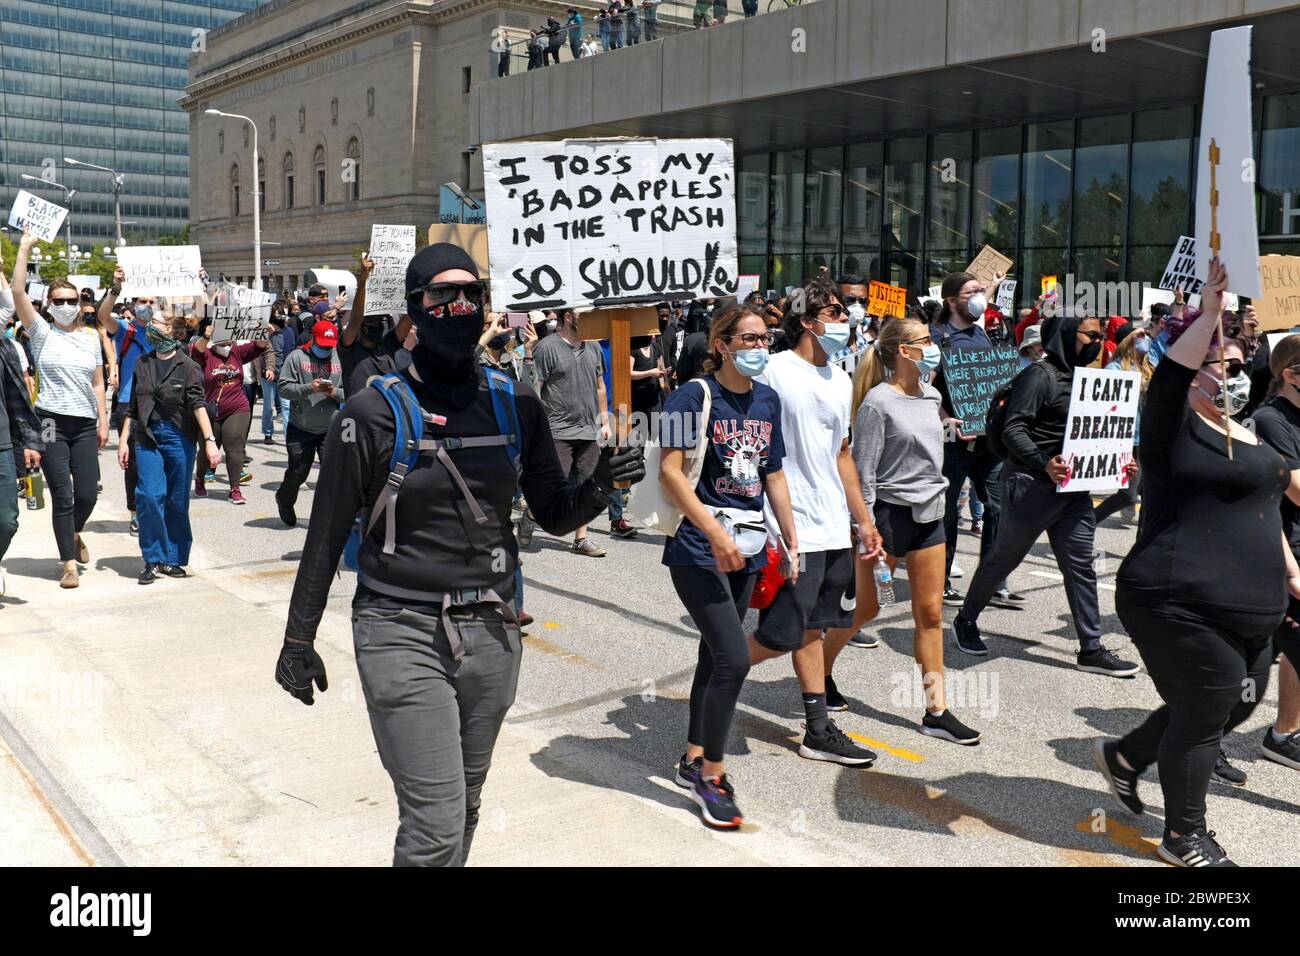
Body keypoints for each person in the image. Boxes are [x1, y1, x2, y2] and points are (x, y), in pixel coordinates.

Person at [274, 242, 644, 866]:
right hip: (401, 628)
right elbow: (325, 538)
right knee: (436, 825)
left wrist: (602, 484)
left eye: (472, 293)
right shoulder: (369, 413)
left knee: (464, 808)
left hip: (493, 632)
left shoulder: (515, 400)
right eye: (444, 294)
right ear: (415, 308)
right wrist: (297, 639)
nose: (461, 305)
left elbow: (554, 512)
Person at [1093, 260, 1297, 867]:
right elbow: (1169, 377)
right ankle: (1184, 837)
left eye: (1240, 366)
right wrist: (1208, 313)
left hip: (1256, 606)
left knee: (1238, 700)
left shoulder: (1250, 432)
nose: (1235, 375)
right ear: (1194, 371)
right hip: (1176, 599)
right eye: (1223, 366)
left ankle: (1127, 756)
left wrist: (1291, 574)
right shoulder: (1171, 428)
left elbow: (1265, 510)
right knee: (1207, 710)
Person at [662, 304, 797, 828]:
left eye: (766, 338)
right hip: (699, 545)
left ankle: (693, 756)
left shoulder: (768, 399)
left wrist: (790, 535)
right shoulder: (690, 396)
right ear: (721, 344)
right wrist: (712, 530)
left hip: (748, 545)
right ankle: (711, 776)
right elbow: (670, 473)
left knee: (712, 658)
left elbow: (774, 474)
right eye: (749, 338)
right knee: (733, 660)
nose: (760, 347)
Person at [950, 310, 1139, 676]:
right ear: (1066, 336)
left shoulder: (1087, 379)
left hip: (1073, 491)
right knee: (1005, 558)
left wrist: (1118, 460)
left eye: (1100, 336)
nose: (1098, 343)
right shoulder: (1040, 376)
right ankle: (966, 619)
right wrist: (1043, 462)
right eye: (1089, 336)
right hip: (1032, 486)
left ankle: (1091, 647)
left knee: (1081, 566)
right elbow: (1013, 430)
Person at [749, 279, 882, 762]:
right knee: (780, 633)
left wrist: (862, 520)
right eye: (837, 313)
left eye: (847, 313)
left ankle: (817, 729)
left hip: (831, 524)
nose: (847, 321)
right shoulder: (775, 370)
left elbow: (842, 453)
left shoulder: (842, 379)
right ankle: (721, 667)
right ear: (808, 322)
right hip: (789, 524)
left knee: (814, 628)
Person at [847, 315, 981, 744]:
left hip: (930, 517)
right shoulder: (876, 403)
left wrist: (956, 428)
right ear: (904, 351)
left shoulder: (932, 395)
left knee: (931, 614)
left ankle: (936, 709)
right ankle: (819, 674)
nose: (935, 345)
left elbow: (925, 450)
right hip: (887, 519)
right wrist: (865, 527)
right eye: (927, 340)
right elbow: (863, 472)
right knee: (866, 610)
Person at [11, 231, 108, 589]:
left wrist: (103, 419)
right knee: (62, 495)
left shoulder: (90, 338)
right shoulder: (40, 332)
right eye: (59, 299)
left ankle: (75, 533)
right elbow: (19, 292)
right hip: (50, 421)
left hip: (83, 422)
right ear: (49, 303)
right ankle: (68, 562)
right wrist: (24, 248)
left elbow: (98, 383)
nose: (66, 304)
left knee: (86, 493)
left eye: (72, 299)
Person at [930, 271, 1021, 609]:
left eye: (981, 291)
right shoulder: (938, 338)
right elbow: (925, 388)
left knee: (1001, 507)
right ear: (952, 301)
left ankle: (993, 580)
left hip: (988, 442)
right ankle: (939, 583)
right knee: (948, 512)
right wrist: (945, 420)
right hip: (954, 442)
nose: (979, 297)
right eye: (972, 292)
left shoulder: (983, 335)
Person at [119, 311, 221, 584]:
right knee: (150, 496)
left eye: (157, 323)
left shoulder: (188, 366)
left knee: (177, 500)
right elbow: (132, 405)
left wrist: (210, 441)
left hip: (179, 438)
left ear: (172, 331)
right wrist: (123, 440)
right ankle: (152, 559)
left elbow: (198, 404)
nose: (151, 326)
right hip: (147, 438)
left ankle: (173, 559)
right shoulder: (142, 363)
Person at [1245, 333, 1300, 774]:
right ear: (1290, 374)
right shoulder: (1270, 420)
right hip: (1281, 554)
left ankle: (1282, 734)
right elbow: (1297, 491)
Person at [532, 307, 611, 557]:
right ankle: (530, 514)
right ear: (569, 318)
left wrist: (605, 421)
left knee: (587, 484)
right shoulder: (547, 347)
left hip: (589, 428)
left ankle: (581, 539)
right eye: (584, 316)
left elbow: (600, 387)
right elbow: (537, 388)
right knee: (557, 484)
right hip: (557, 430)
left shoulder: (594, 347)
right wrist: (535, 426)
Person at [100, 271, 156, 533]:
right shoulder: (126, 330)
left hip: (158, 404)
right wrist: (115, 288)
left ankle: (154, 504)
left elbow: (198, 320)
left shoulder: (162, 331)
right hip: (128, 403)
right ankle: (135, 510)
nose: (148, 306)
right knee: (132, 461)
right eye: (143, 301)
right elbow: (103, 317)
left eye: (153, 302)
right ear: (134, 304)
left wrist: (201, 284)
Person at [190, 322, 271, 502]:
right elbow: (196, 353)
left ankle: (234, 489)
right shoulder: (207, 354)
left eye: (230, 338)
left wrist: (263, 332)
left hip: (237, 407)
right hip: (211, 410)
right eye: (223, 338)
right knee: (206, 449)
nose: (227, 343)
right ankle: (200, 479)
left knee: (234, 446)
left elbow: (259, 346)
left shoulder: (237, 351)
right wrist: (206, 337)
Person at [274, 320, 344, 527]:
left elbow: (353, 391)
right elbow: (283, 389)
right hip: (301, 427)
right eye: (321, 345)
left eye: (329, 346)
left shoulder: (341, 358)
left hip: (329, 428)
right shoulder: (296, 357)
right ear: (313, 339)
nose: (325, 349)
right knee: (299, 471)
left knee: (333, 474)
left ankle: (331, 517)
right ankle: (284, 500)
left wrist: (335, 393)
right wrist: (308, 388)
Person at [0, 267, 43, 599]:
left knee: (7, 520)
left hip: (2, 446)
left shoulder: (6, 347)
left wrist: (29, 440)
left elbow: (18, 400)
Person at [1093, 326, 1152, 526]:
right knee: (1128, 495)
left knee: (1152, 496)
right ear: (1128, 340)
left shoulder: (1148, 367)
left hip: (1147, 438)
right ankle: (1088, 522)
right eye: (1141, 335)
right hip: (1127, 440)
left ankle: (1143, 545)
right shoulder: (1115, 369)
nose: (1146, 338)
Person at [339, 257, 412, 397]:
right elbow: (355, 319)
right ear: (361, 326)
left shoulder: (387, 346)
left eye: (380, 322)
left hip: (386, 416)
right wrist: (363, 279)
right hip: (359, 416)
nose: (377, 326)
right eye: (371, 323)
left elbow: (409, 318)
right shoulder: (349, 350)